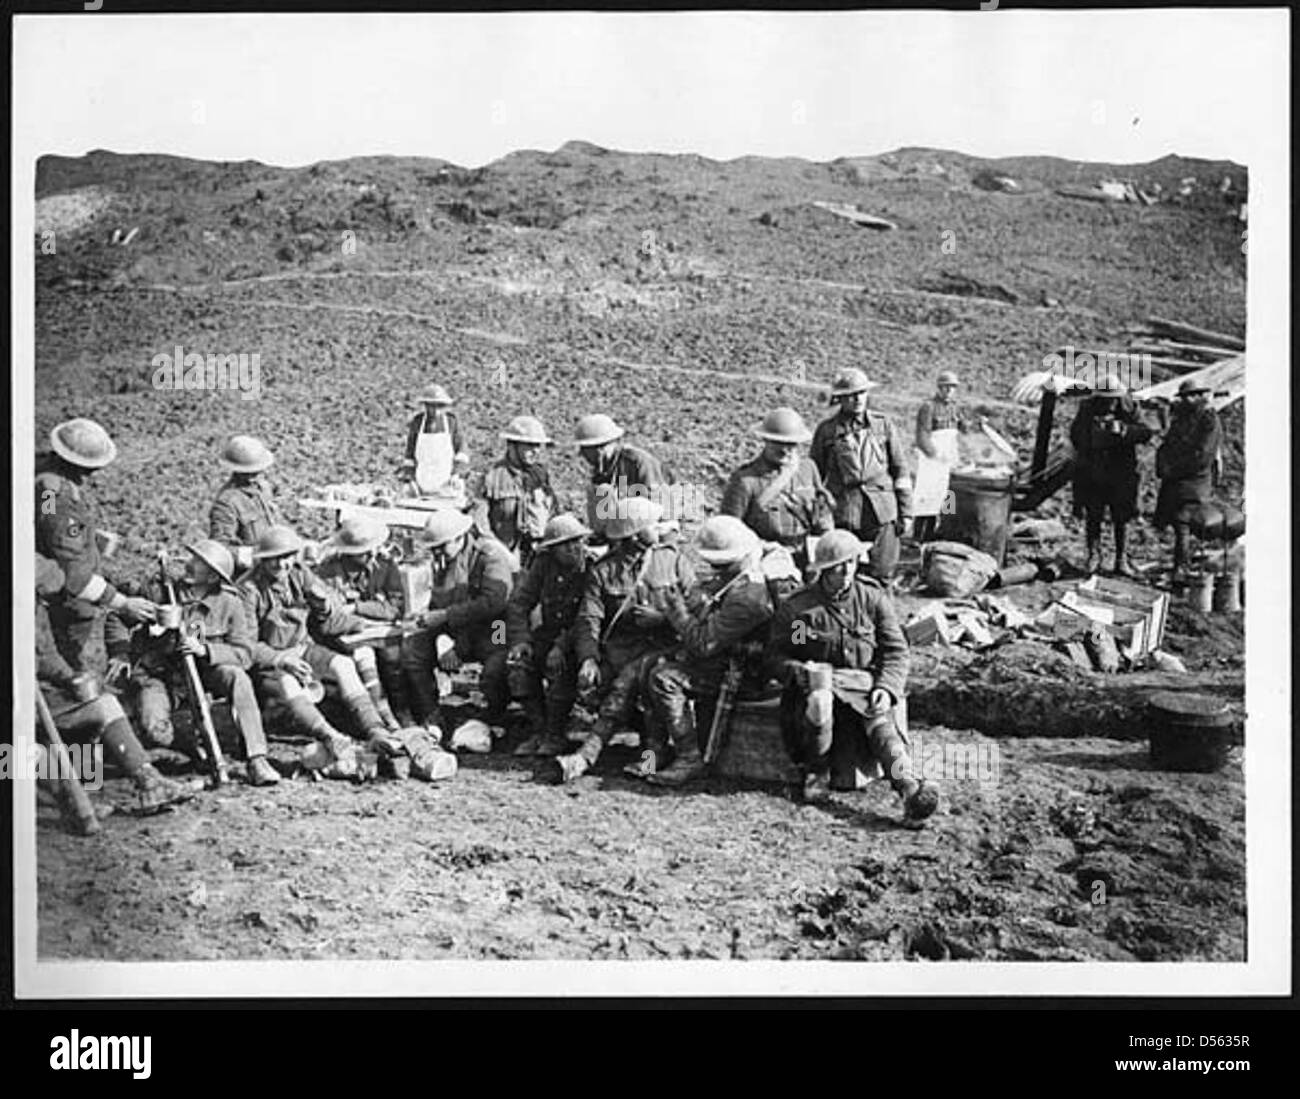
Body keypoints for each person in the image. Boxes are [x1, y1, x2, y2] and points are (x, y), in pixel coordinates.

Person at [765, 530, 939, 826]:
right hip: (815, 691)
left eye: (852, 562)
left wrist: (887, 687)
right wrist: (799, 671)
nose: (846, 571)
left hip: (862, 686)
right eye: (837, 566)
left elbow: (895, 650)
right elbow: (779, 656)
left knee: (879, 713)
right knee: (820, 701)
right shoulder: (802, 611)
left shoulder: (871, 599)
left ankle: (910, 788)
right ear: (823, 570)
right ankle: (816, 771)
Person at [104, 541, 281, 786]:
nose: (189, 564)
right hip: (160, 675)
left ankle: (257, 759)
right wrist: (120, 653)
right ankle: (191, 743)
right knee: (153, 729)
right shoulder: (160, 592)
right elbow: (117, 616)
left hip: (205, 672)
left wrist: (206, 650)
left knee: (237, 677)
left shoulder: (229, 604)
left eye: (199, 563)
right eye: (193, 558)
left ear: (212, 577)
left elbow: (245, 653)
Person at [644, 516, 802, 786]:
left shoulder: (749, 596)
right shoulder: (760, 561)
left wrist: (676, 611)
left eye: (720, 565)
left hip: (748, 671)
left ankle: (689, 758)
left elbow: (703, 644)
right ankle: (653, 753)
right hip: (740, 657)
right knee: (651, 662)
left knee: (664, 678)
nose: (714, 570)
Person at [37, 552, 195, 814]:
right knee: (31, 753)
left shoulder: (35, 610)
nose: (44, 598)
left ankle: (145, 781)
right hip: (21, 701)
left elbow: (47, 656)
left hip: (37, 693)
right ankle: (67, 800)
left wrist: (70, 677)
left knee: (101, 703)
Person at [552, 497, 696, 783]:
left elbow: (697, 610)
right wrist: (588, 658)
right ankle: (649, 753)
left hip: (667, 650)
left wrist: (663, 618)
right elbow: (589, 619)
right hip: (622, 652)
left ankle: (587, 756)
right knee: (604, 681)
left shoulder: (673, 561)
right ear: (635, 534)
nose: (658, 528)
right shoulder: (604, 571)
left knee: (629, 681)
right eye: (651, 524)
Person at [239, 525, 392, 780]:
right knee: (288, 683)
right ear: (262, 560)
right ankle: (331, 737)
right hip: (269, 661)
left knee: (343, 664)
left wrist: (325, 606)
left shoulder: (300, 574)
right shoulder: (249, 590)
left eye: (287, 557)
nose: (282, 564)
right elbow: (245, 644)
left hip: (302, 648)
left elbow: (328, 615)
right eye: (274, 559)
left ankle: (375, 729)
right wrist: (281, 660)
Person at [36, 418, 159, 673]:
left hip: (59, 576)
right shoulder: (58, 497)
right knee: (70, 666)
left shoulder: (47, 485)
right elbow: (74, 575)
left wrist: (88, 535)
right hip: (66, 599)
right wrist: (123, 603)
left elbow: (47, 523)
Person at [400, 510, 514, 742]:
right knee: (413, 650)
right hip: (461, 629)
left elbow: (493, 603)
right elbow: (440, 602)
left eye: (441, 546)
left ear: (459, 538)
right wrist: (438, 634)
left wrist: (448, 623)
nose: (437, 552)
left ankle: (493, 714)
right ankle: (431, 714)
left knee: (496, 663)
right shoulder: (444, 562)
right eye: (434, 548)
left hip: (497, 627)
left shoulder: (490, 556)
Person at [810, 369, 914, 581]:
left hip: (883, 511)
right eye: (850, 395)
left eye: (861, 393)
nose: (857, 399)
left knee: (883, 572)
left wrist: (906, 512)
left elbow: (900, 470)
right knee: (843, 573)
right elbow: (814, 476)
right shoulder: (827, 431)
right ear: (839, 398)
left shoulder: (883, 425)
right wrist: (820, 516)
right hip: (844, 513)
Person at [506, 515, 593, 758]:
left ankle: (555, 733)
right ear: (553, 550)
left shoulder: (591, 568)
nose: (574, 548)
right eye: (565, 545)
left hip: (582, 638)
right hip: (549, 633)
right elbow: (519, 603)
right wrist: (520, 640)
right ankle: (540, 729)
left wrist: (561, 646)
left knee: (560, 669)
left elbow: (588, 616)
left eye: (577, 542)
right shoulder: (543, 565)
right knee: (518, 666)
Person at [313, 517, 410, 730]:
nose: (370, 555)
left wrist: (356, 607)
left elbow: (394, 608)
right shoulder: (328, 573)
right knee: (363, 655)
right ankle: (380, 716)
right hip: (345, 635)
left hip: (377, 631)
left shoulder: (384, 566)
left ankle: (402, 711)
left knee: (393, 655)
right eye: (362, 552)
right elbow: (328, 619)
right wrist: (361, 621)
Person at [719, 407, 834, 570]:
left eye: (791, 444)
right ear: (765, 440)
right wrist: (762, 548)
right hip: (765, 560)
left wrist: (826, 544)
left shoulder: (808, 469)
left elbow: (822, 513)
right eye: (778, 443)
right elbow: (728, 531)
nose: (785, 450)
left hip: (806, 557)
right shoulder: (746, 480)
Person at [1068, 374, 1155, 576]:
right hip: (1094, 471)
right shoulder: (1087, 408)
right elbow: (1076, 435)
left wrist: (1124, 430)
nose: (1109, 403)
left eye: (1113, 399)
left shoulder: (1130, 407)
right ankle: (1093, 556)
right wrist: (1094, 435)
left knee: (1121, 516)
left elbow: (1146, 433)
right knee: (1093, 515)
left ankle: (1121, 558)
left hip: (1121, 472)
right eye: (1105, 399)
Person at [1154, 378, 1224, 583]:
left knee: (1183, 522)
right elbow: (1168, 444)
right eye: (1185, 396)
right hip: (1175, 478)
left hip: (1195, 480)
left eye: (1192, 395)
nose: (1188, 400)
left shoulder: (1209, 420)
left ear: (1201, 396)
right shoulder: (1181, 418)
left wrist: (1175, 469)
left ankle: (1181, 569)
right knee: (1176, 523)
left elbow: (1203, 455)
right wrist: (1163, 465)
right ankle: (1179, 566)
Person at [573, 413, 675, 539]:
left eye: (585, 450)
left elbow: (660, 508)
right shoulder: (602, 469)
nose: (582, 455)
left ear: (599, 449)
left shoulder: (638, 462)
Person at [477, 415, 559, 565]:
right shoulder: (492, 477)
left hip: (538, 555)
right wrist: (503, 555)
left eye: (538, 445)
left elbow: (554, 514)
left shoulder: (541, 476)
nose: (536, 451)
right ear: (512, 446)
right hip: (502, 557)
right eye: (529, 445)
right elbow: (480, 525)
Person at [913, 371, 984, 541]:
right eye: (945, 387)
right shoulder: (928, 407)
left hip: (949, 457)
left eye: (952, 387)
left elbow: (963, 428)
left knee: (947, 494)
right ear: (939, 388)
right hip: (931, 460)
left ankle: (942, 529)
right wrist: (936, 455)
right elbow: (922, 438)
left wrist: (978, 424)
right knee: (927, 496)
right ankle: (919, 535)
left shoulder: (955, 407)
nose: (949, 391)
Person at [209, 435, 283, 575]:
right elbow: (220, 551)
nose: (257, 475)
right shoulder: (226, 503)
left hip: (275, 563)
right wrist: (258, 555)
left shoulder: (263, 488)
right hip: (250, 573)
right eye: (251, 472)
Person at [401, 384, 468, 495]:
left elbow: (462, 452)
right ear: (426, 406)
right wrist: (410, 479)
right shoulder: (417, 423)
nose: (435, 411)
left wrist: (456, 474)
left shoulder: (451, 422)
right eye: (431, 407)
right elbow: (409, 456)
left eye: (439, 406)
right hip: (422, 484)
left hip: (447, 485)